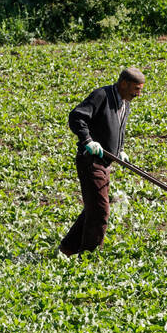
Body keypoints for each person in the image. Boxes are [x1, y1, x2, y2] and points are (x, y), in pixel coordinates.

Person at [60, 67, 146, 257]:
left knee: (94, 207)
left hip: (106, 162)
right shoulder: (102, 96)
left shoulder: (124, 103)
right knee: (100, 210)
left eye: (140, 90)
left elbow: (117, 129)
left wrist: (119, 149)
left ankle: (68, 248)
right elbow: (76, 117)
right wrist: (88, 141)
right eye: (136, 89)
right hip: (90, 160)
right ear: (123, 83)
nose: (138, 94)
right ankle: (88, 256)